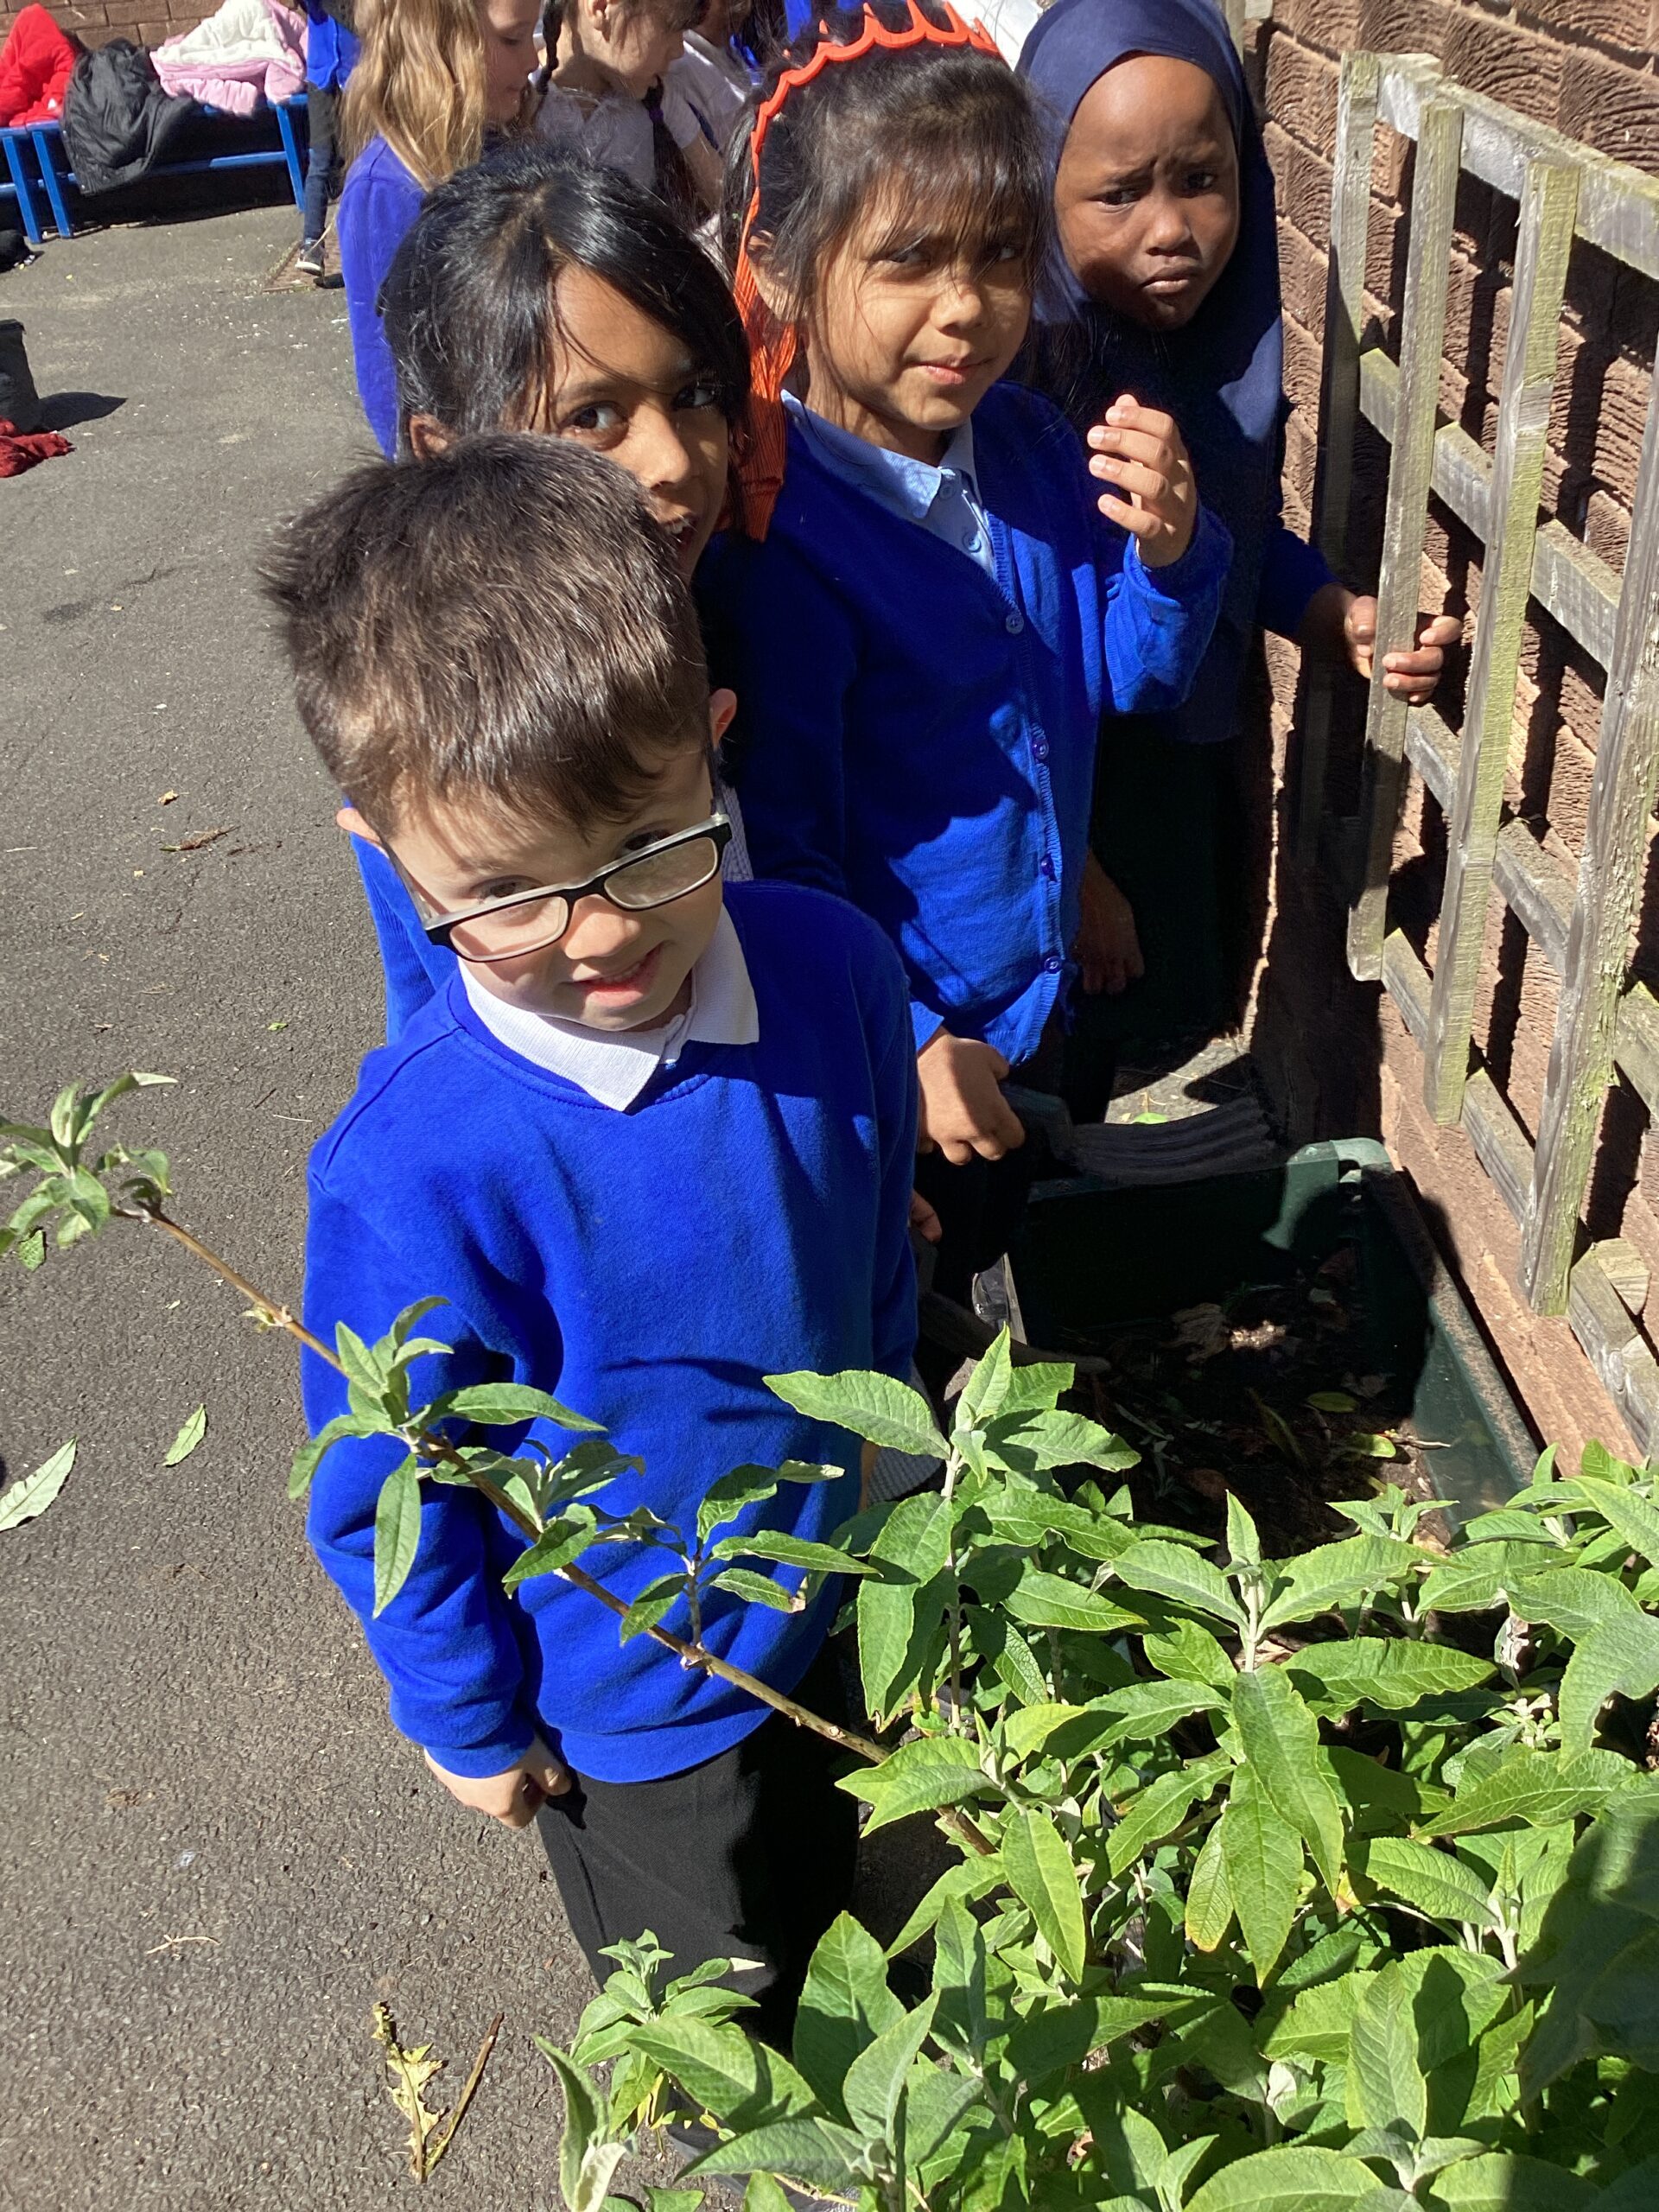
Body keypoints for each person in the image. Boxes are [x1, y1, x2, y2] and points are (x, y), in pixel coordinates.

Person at [265, 433, 918, 2038]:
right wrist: (464, 1711)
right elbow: (389, 1476)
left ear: (713, 744)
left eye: (648, 842)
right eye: (508, 894)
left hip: (870, 1596)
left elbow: (882, 1246)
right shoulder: (414, 1167)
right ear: (384, 850)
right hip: (632, 1697)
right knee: (720, 2014)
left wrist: (917, 1493)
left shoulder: (834, 971)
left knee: (902, 1925)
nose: (603, 934)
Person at [699, 0, 1230, 1330]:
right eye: (909, 260)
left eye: (1001, 253)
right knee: (898, 1288)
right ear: (780, 268)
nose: (967, 309)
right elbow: (796, 857)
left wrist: (1172, 556)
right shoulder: (784, 555)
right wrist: (915, 1033)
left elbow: (1124, 684)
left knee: (1004, 1239)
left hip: (1033, 989)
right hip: (907, 1042)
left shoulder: (1040, 455)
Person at [1018, 0, 1459, 1062]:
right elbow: (983, 663)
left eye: (1202, 181)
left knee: (1160, 1031)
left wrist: (1332, 616)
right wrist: (1072, 868)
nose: (1170, 230)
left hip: (1180, 768)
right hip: (1052, 808)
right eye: (1118, 193)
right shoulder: (1011, 401)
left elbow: (1234, 538)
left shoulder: (1211, 363)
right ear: (1036, 191)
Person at [352, 140, 753, 1037]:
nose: (675, 460)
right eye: (594, 417)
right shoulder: (427, 726)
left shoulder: (766, 607)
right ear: (442, 451)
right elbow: (441, 1015)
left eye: (696, 392)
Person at [336, 0, 541, 454]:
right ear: (440, 43)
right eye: (512, 38)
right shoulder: (388, 188)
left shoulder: (507, 144)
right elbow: (391, 376)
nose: (533, 60)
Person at [533, 0, 721, 218]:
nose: (680, 50)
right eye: (671, 27)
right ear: (601, 8)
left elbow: (721, 194)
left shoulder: (656, 97)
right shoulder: (519, 99)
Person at [296, 0, 359, 279]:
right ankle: (311, 244)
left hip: (359, 75)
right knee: (320, 160)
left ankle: (358, 247)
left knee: (360, 161)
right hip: (322, 75)